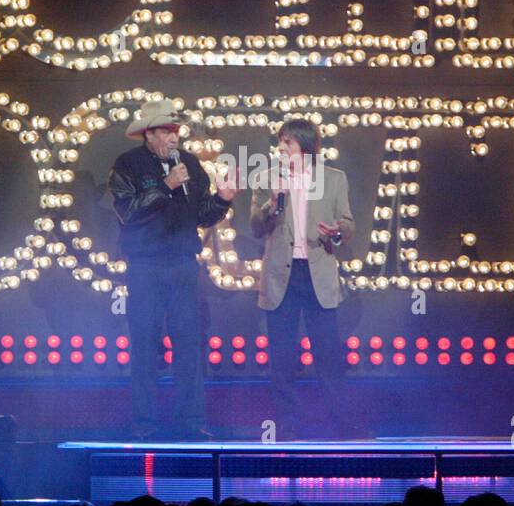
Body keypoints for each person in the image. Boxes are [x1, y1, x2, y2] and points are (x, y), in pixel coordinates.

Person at [109, 97, 237, 441]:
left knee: (189, 344)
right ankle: (145, 424)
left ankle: (190, 421)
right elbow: (128, 212)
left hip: (183, 266)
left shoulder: (190, 165)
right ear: (149, 134)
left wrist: (222, 200)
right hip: (146, 267)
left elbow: (201, 215)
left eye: (176, 130)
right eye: (167, 130)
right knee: (145, 344)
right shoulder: (128, 165)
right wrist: (164, 187)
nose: (174, 136)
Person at [249, 118, 359, 440]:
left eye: (289, 142)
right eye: (281, 141)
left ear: (307, 147)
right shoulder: (267, 179)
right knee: (282, 357)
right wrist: (273, 202)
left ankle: (341, 424)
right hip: (281, 275)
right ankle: (288, 426)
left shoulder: (334, 179)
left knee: (328, 354)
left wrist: (337, 232)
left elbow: (348, 225)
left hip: (317, 273)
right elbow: (256, 227)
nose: (282, 148)